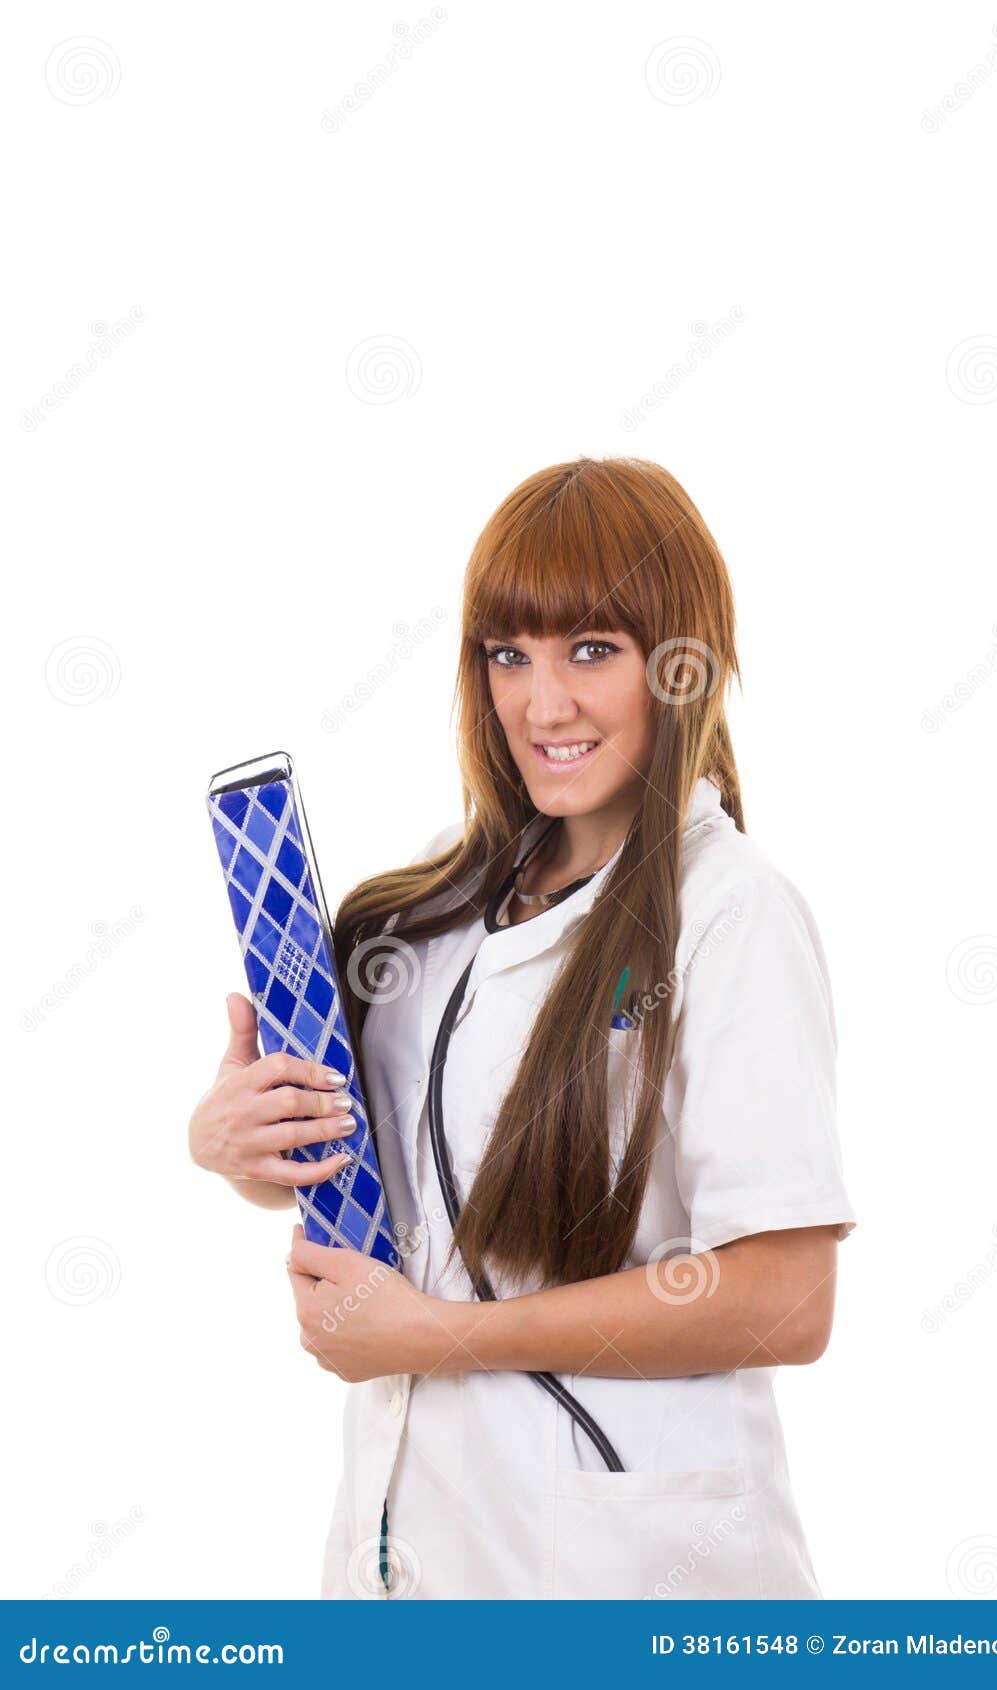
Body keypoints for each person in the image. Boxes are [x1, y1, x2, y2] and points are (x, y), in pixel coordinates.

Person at [189, 455, 857, 1600]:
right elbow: (401, 1187)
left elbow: (783, 1296)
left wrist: (432, 1338)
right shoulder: (422, 923)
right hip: (411, 1564)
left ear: (681, 663)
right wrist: (241, 1147)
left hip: (633, 1585)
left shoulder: (733, 914)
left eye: (590, 650)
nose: (542, 704)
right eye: (509, 653)